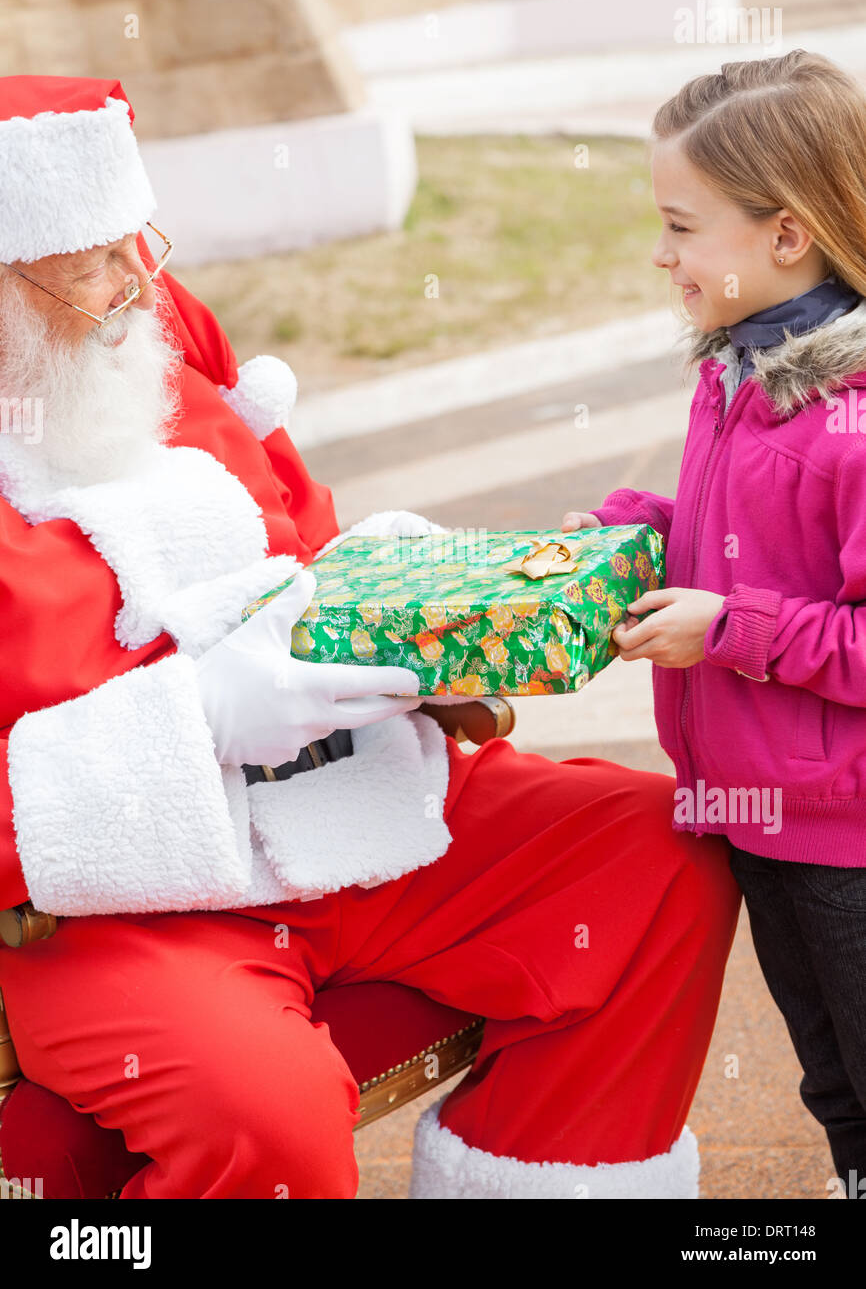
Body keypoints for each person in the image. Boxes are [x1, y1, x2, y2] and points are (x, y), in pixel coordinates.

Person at [0, 75, 740, 1200]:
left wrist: (430, 626)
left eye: (135, 242)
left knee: (653, 853)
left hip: (349, 806)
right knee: (265, 1113)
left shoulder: (150, 339)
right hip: (122, 910)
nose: (137, 283)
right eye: (90, 261)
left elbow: (309, 541)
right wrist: (194, 725)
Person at [564, 47, 866, 1200]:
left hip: (845, 839)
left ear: (783, 234)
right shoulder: (738, 367)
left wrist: (727, 630)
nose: (660, 253)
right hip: (760, 818)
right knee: (829, 1082)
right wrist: (636, 529)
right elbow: (738, 532)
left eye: (680, 226)